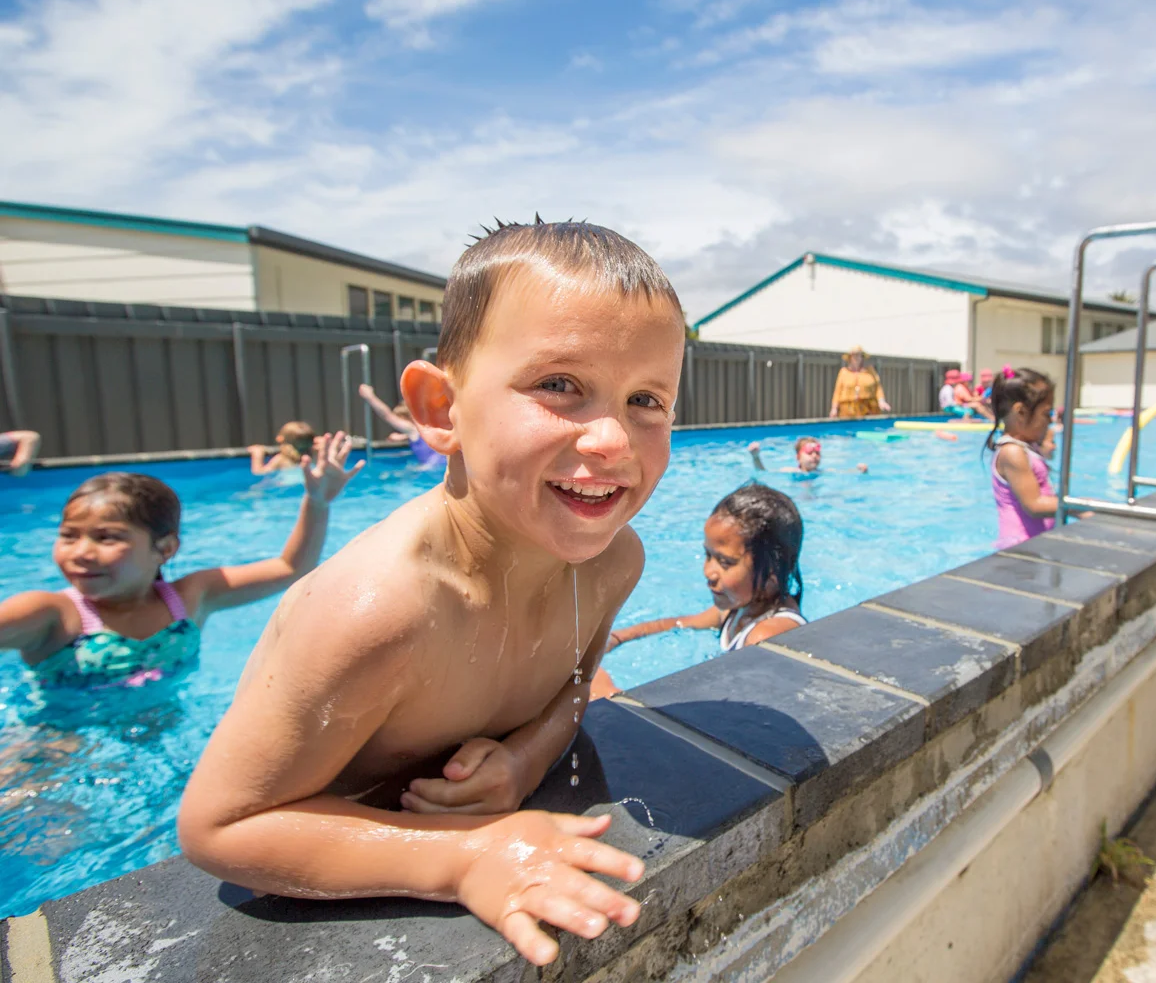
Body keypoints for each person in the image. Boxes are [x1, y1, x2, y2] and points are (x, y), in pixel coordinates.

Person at [176, 219, 687, 968]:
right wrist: (463, 858)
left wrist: (522, 762)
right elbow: (222, 827)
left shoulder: (613, 564)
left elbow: (576, 691)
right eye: (559, 385)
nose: (612, 439)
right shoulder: (383, 608)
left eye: (646, 399)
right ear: (441, 411)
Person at [0, 435, 362, 686]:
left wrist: (318, 502)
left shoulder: (191, 597)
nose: (81, 553)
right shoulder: (52, 615)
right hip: (57, 755)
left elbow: (290, 569)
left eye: (107, 537)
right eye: (68, 536)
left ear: (166, 547)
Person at [590, 483, 806, 700]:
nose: (708, 571)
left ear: (772, 574)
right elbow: (678, 624)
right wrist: (615, 639)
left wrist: (609, 693)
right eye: (708, 555)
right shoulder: (737, 609)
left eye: (725, 562)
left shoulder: (765, 637)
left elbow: (727, 710)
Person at [987, 368, 1059, 550]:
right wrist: (1075, 505)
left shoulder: (1026, 448)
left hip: (1033, 544)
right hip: (1020, 548)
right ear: (1020, 412)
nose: (1049, 421)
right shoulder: (1012, 453)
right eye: (1046, 414)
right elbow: (1033, 504)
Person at [358, 384, 446, 470]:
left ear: (408, 419)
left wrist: (370, 397)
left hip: (429, 468)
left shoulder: (413, 430)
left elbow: (387, 415)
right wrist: (404, 437)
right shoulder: (434, 427)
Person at [829, 345, 891, 418]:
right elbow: (837, 392)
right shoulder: (843, 372)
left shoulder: (870, 371)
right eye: (854, 355)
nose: (857, 357)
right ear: (850, 357)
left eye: (859, 355)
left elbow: (878, 388)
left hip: (868, 410)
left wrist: (881, 401)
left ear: (862, 357)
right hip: (848, 411)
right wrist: (834, 409)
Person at [748, 437, 867, 475]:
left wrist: (860, 470)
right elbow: (763, 472)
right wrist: (756, 457)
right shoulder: (790, 471)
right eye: (810, 453)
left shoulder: (823, 472)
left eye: (817, 453)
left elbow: (844, 472)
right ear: (798, 457)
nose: (814, 456)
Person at [249, 421, 318, 475]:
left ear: (280, 439)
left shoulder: (282, 459)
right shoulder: (314, 457)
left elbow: (259, 473)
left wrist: (257, 454)